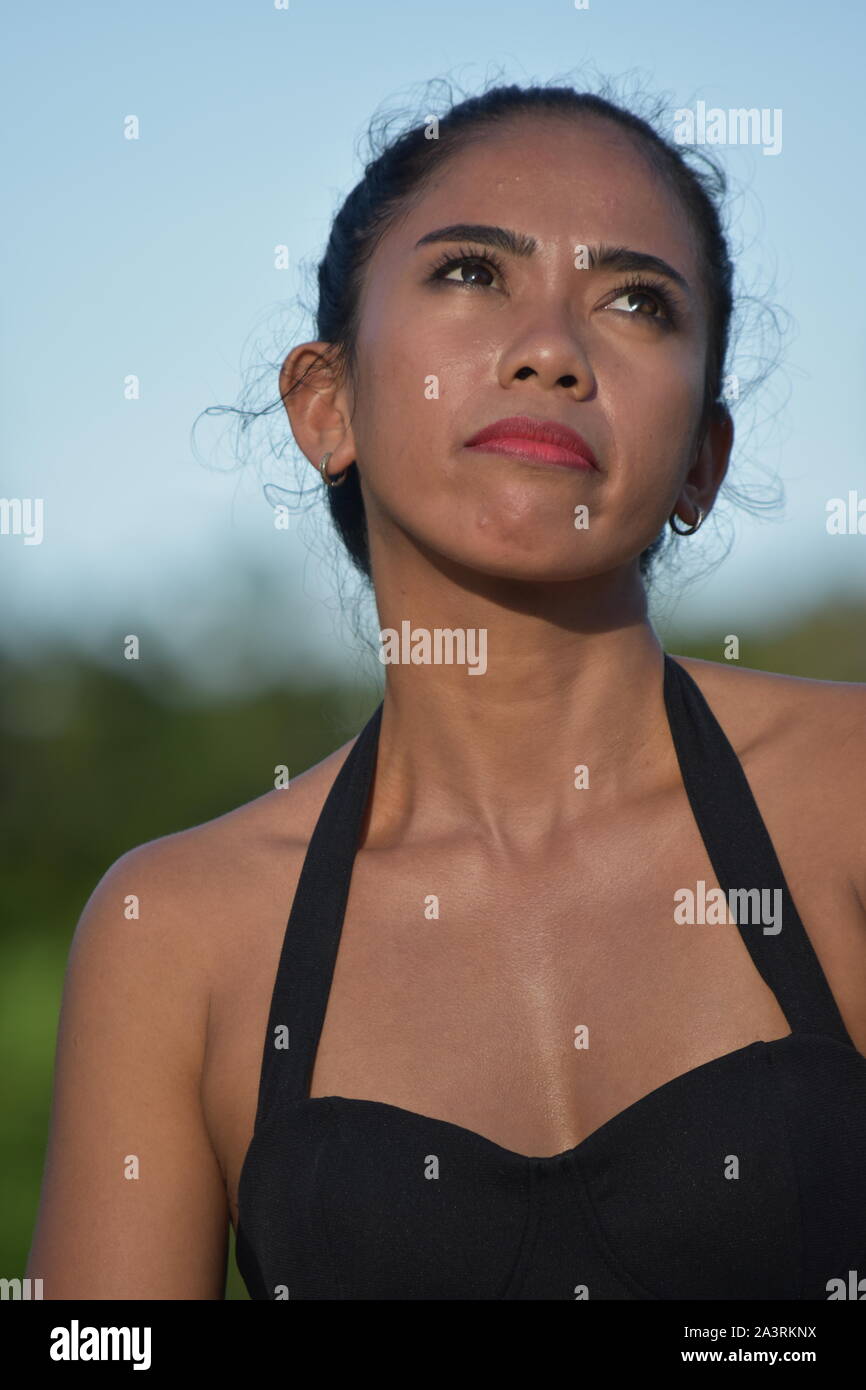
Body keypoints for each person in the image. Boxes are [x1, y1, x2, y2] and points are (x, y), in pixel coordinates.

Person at [27, 82, 866, 1301]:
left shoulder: (845, 797)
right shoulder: (177, 931)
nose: (549, 350)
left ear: (700, 459)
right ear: (328, 404)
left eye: (635, 301)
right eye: (472, 273)